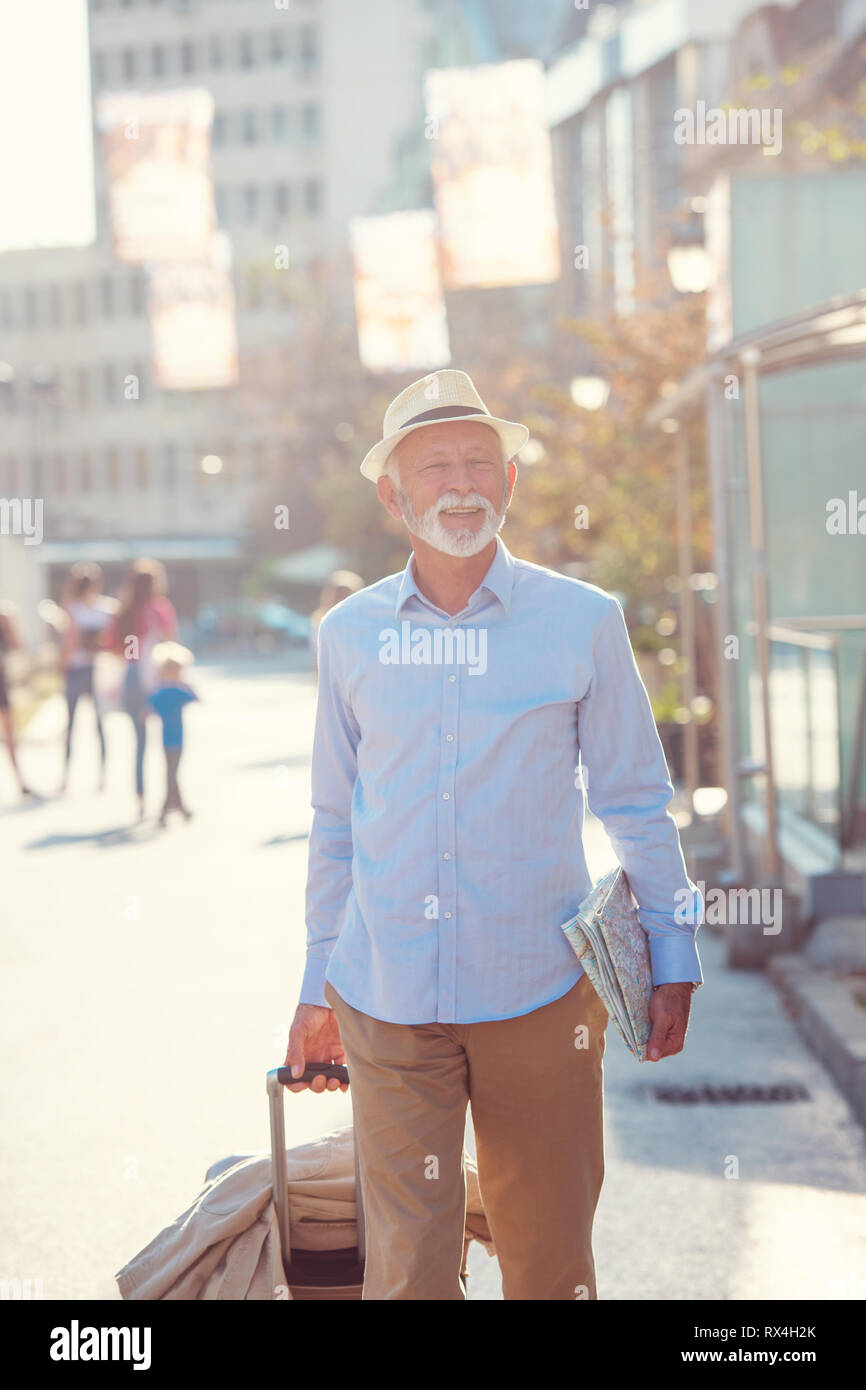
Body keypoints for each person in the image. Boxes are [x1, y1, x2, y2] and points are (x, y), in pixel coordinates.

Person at [284, 369, 704, 1301]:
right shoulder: (348, 635)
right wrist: (317, 987)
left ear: (511, 483)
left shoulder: (582, 622)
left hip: (542, 996)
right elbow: (334, 819)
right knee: (407, 1272)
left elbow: (635, 797)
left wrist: (675, 952)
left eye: (481, 460)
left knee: (550, 1264)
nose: (460, 482)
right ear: (393, 496)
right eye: (433, 466)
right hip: (387, 999)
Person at [107, 559, 177, 819]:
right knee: (169, 739)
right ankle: (170, 795)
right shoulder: (160, 609)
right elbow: (171, 644)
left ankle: (140, 798)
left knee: (139, 743)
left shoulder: (124, 611)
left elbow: (114, 648)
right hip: (159, 678)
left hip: (133, 677)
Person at [59, 563, 116, 792]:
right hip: (97, 669)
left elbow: (68, 643)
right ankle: (102, 777)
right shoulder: (107, 609)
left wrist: (61, 665)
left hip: (79, 669)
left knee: (71, 724)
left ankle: (65, 778)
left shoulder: (73, 609)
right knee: (98, 725)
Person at [147, 642, 198, 828]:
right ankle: (169, 809)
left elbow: (148, 709)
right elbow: (196, 697)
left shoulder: (161, 692)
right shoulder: (176, 691)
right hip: (176, 739)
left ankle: (177, 808)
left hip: (167, 739)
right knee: (172, 774)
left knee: (171, 773)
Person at [0, 600, 33, 798]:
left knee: (11, 733)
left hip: (1, 683)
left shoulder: (4, 616)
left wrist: (10, 623)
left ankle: (20, 781)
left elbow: (17, 645)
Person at [309, 570, 364, 682]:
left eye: (346, 593)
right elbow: (319, 657)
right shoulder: (321, 621)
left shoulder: (364, 620)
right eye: (338, 594)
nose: (342, 598)